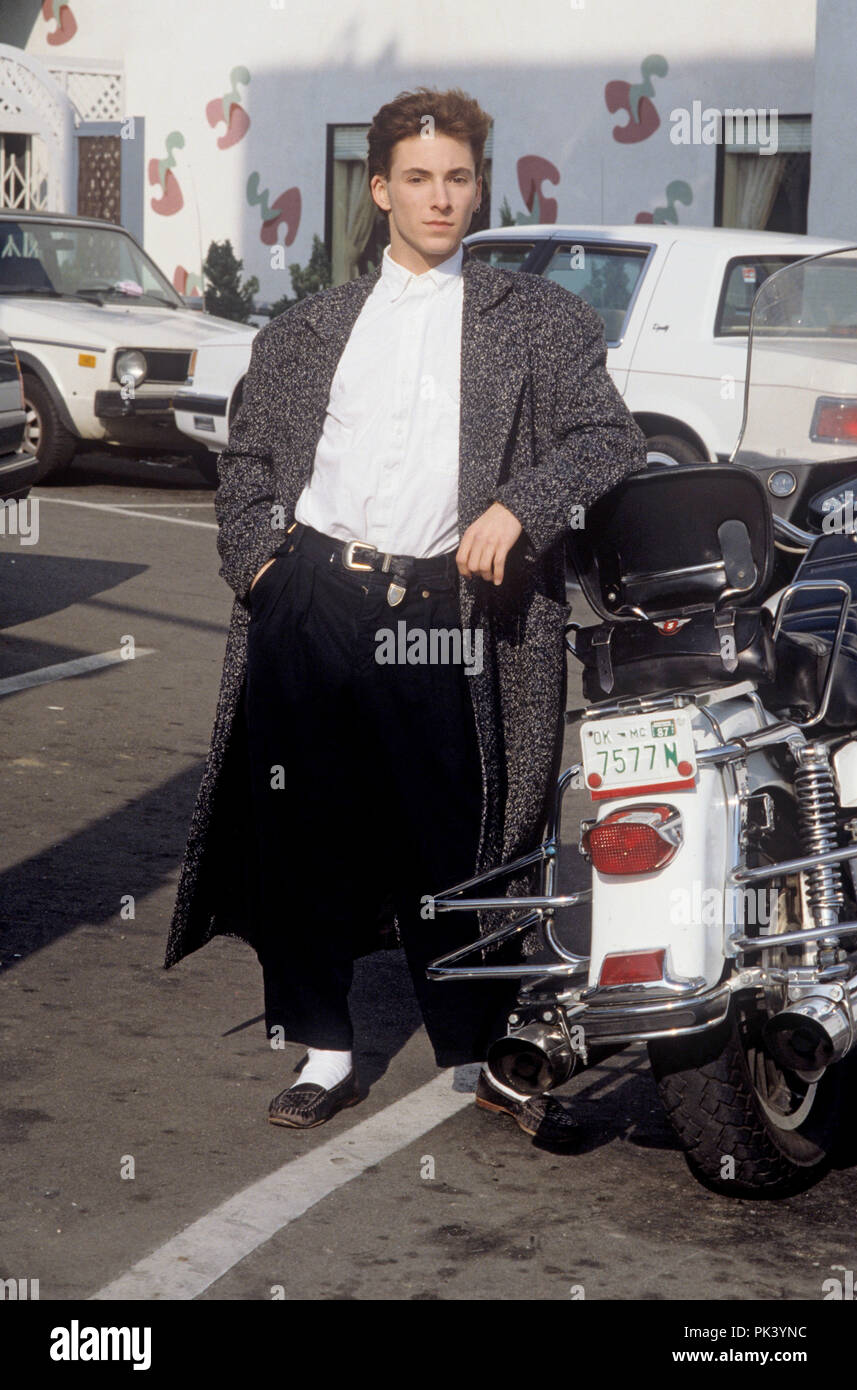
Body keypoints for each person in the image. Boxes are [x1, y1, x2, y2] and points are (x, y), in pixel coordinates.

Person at [164, 85, 648, 1142]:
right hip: (314, 598)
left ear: (480, 188)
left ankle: (478, 1044)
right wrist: (263, 569)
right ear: (379, 189)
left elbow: (609, 441)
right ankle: (326, 1048)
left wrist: (521, 504)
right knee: (305, 827)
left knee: (459, 830)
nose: (439, 197)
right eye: (417, 178)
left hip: (449, 608)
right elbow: (245, 466)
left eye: (458, 177)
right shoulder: (307, 331)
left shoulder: (538, 321)